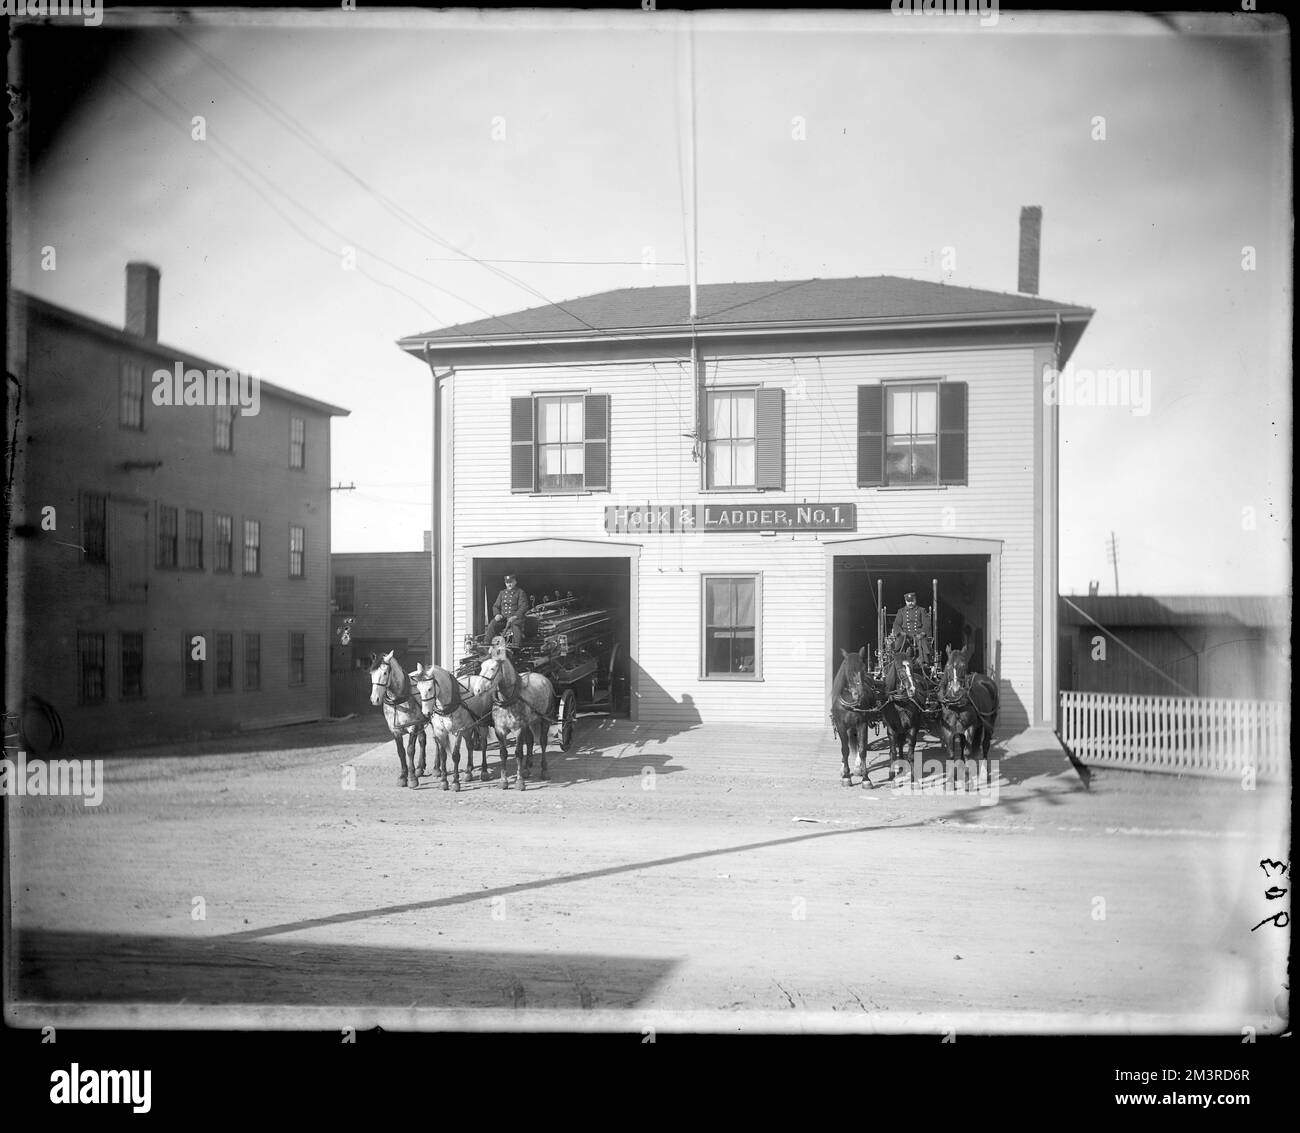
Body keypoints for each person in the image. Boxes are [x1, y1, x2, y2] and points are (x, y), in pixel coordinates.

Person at [890, 592, 933, 667]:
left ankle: (925, 662)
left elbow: (926, 624)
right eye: (908, 601)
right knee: (900, 642)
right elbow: (896, 624)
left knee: (923, 641)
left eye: (912, 601)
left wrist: (922, 633)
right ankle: (897, 660)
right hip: (905, 634)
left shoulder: (921, 610)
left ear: (915, 600)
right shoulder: (901, 611)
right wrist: (900, 632)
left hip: (918, 634)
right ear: (905, 601)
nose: (910, 603)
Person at [487, 574, 531, 644]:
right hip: (503, 619)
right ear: (505, 583)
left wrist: (515, 616)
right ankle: (486, 644)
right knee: (493, 623)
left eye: (511, 582)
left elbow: (523, 606)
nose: (509, 584)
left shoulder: (520, 592)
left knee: (516, 626)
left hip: (516, 618)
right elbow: (495, 606)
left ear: (515, 582)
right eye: (507, 583)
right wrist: (497, 614)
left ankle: (516, 646)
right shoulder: (502, 593)